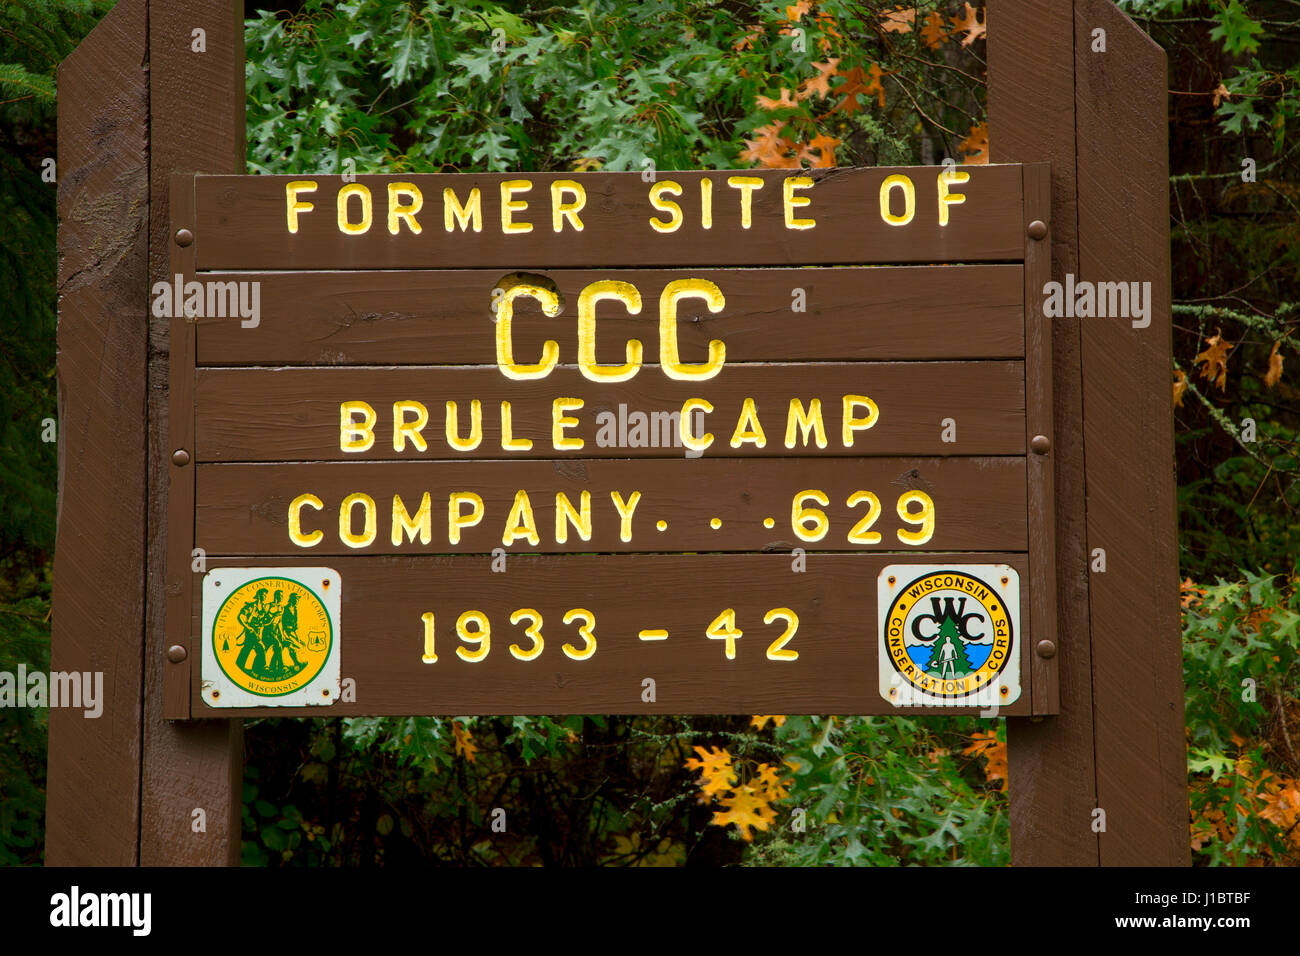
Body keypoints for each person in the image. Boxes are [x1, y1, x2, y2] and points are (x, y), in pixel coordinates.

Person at [234, 589, 269, 674]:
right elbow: (240, 616)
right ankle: (259, 668)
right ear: (258, 595)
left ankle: (239, 666)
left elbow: (264, 621)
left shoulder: (264, 607)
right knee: (260, 648)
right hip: (251, 631)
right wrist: (248, 627)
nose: (265, 597)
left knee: (247, 648)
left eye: (265, 595)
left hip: (258, 631)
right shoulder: (251, 606)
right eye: (263, 595)